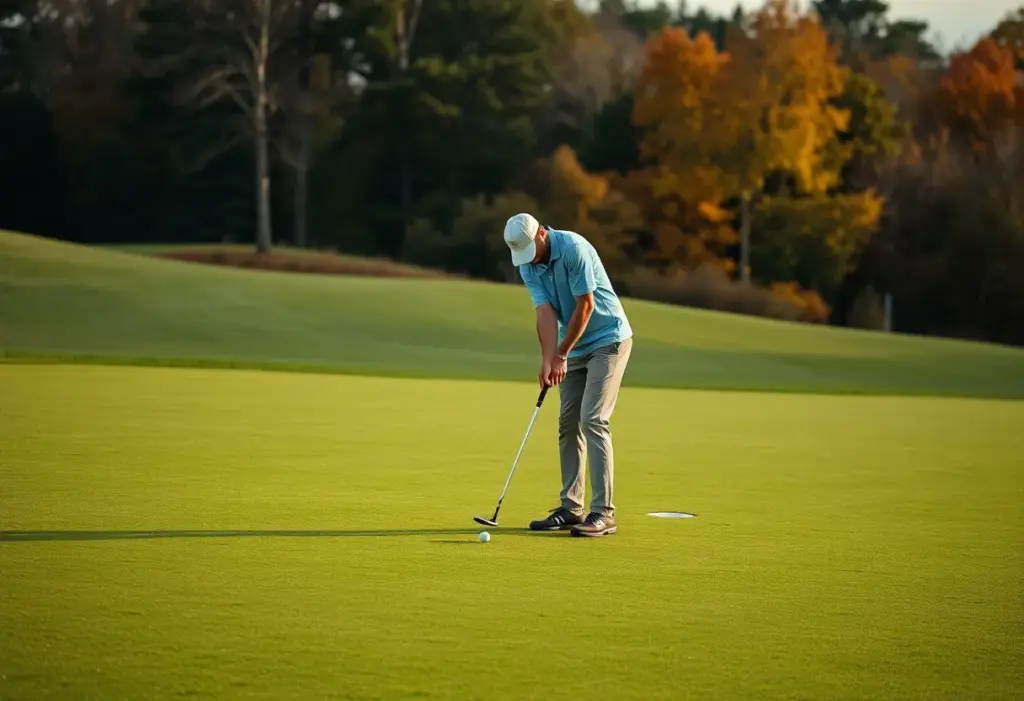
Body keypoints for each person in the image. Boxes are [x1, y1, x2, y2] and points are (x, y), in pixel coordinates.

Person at [502, 212, 633, 537]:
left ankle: (603, 513)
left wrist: (560, 353)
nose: (528, 260)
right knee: (568, 422)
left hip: (609, 339)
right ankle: (572, 508)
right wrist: (548, 358)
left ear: (542, 234)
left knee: (593, 419)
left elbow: (584, 306)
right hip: (573, 346)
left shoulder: (573, 248)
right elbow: (545, 312)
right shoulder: (528, 264)